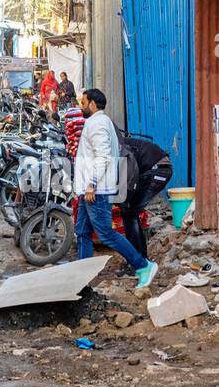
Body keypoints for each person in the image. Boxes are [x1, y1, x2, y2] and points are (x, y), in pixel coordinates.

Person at [73, 88, 158, 289]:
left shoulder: (99, 124)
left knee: (105, 233)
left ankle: (143, 265)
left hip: (96, 190)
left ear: (93, 104)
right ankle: (81, 277)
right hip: (89, 189)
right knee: (82, 231)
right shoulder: (97, 123)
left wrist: (92, 183)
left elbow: (103, 156)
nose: (81, 106)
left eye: (83, 102)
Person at [118, 131, 174, 259]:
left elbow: (129, 175)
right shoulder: (120, 144)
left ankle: (138, 261)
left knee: (129, 213)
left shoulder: (119, 148)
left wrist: (124, 198)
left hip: (157, 169)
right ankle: (140, 258)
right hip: (157, 168)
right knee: (130, 212)